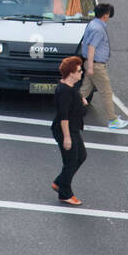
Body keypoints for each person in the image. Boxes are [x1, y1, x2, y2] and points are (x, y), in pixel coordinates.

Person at [79, 2, 124, 128]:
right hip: (96, 65)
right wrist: (92, 67)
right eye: (109, 14)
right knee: (106, 92)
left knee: (84, 91)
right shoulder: (98, 29)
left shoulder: (92, 23)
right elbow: (92, 47)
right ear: (105, 15)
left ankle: (68, 111)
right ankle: (112, 120)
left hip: (90, 63)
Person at [51, 56, 88, 205]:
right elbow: (63, 116)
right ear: (71, 73)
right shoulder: (65, 91)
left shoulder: (72, 87)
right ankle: (65, 193)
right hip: (65, 130)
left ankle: (59, 182)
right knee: (71, 161)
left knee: (81, 156)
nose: (81, 73)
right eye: (79, 70)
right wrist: (67, 137)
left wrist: (82, 103)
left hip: (73, 128)